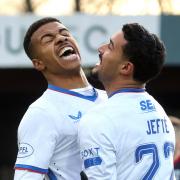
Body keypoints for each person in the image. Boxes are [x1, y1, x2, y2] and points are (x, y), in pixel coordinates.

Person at [78, 23, 176, 179]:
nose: (100, 49)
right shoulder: (160, 113)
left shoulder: (98, 118)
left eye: (110, 47)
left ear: (125, 68)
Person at [14, 17, 107, 180]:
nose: (61, 38)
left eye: (65, 33)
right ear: (38, 63)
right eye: (48, 39)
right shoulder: (41, 112)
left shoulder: (111, 98)